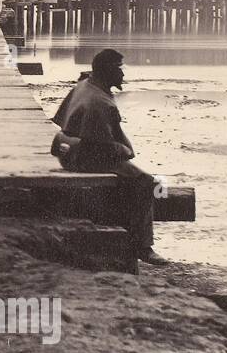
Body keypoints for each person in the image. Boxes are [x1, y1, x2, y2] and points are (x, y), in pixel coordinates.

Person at [50, 48, 165, 264]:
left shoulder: (85, 84)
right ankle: (143, 246)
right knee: (145, 181)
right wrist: (124, 150)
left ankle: (127, 232)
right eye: (119, 69)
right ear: (108, 71)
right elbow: (102, 147)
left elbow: (63, 121)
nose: (123, 74)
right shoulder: (100, 103)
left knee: (127, 172)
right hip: (83, 155)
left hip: (67, 149)